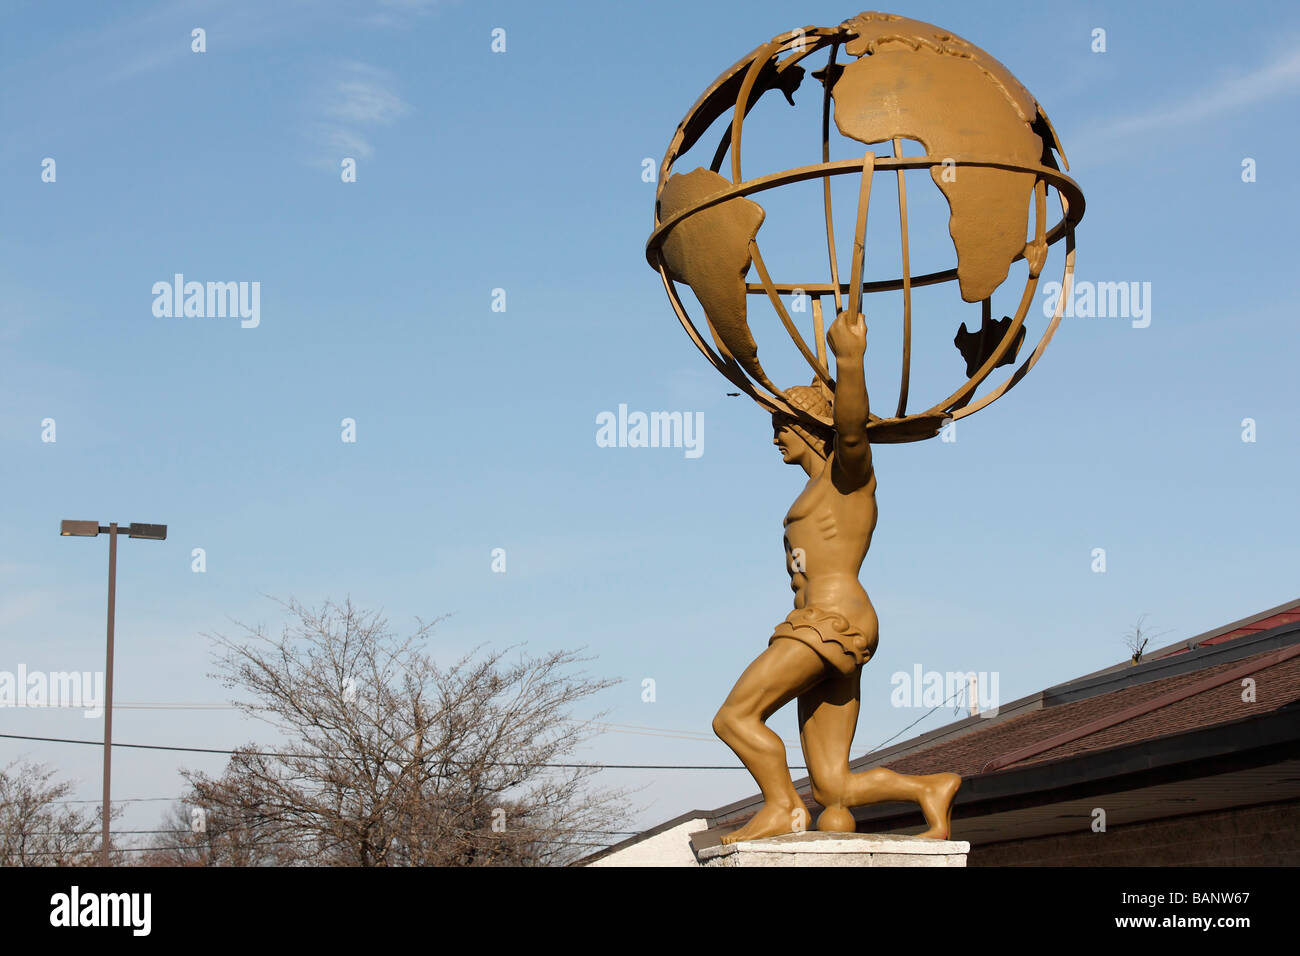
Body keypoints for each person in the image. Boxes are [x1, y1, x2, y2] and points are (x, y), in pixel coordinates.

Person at [712, 309, 961, 844]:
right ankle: (929, 791)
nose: (776, 439)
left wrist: (850, 359)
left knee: (735, 718)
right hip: (823, 623)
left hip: (830, 618)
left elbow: (851, 433)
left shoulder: (848, 482)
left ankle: (781, 808)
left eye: (782, 428)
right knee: (832, 788)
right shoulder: (813, 490)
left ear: (807, 428)